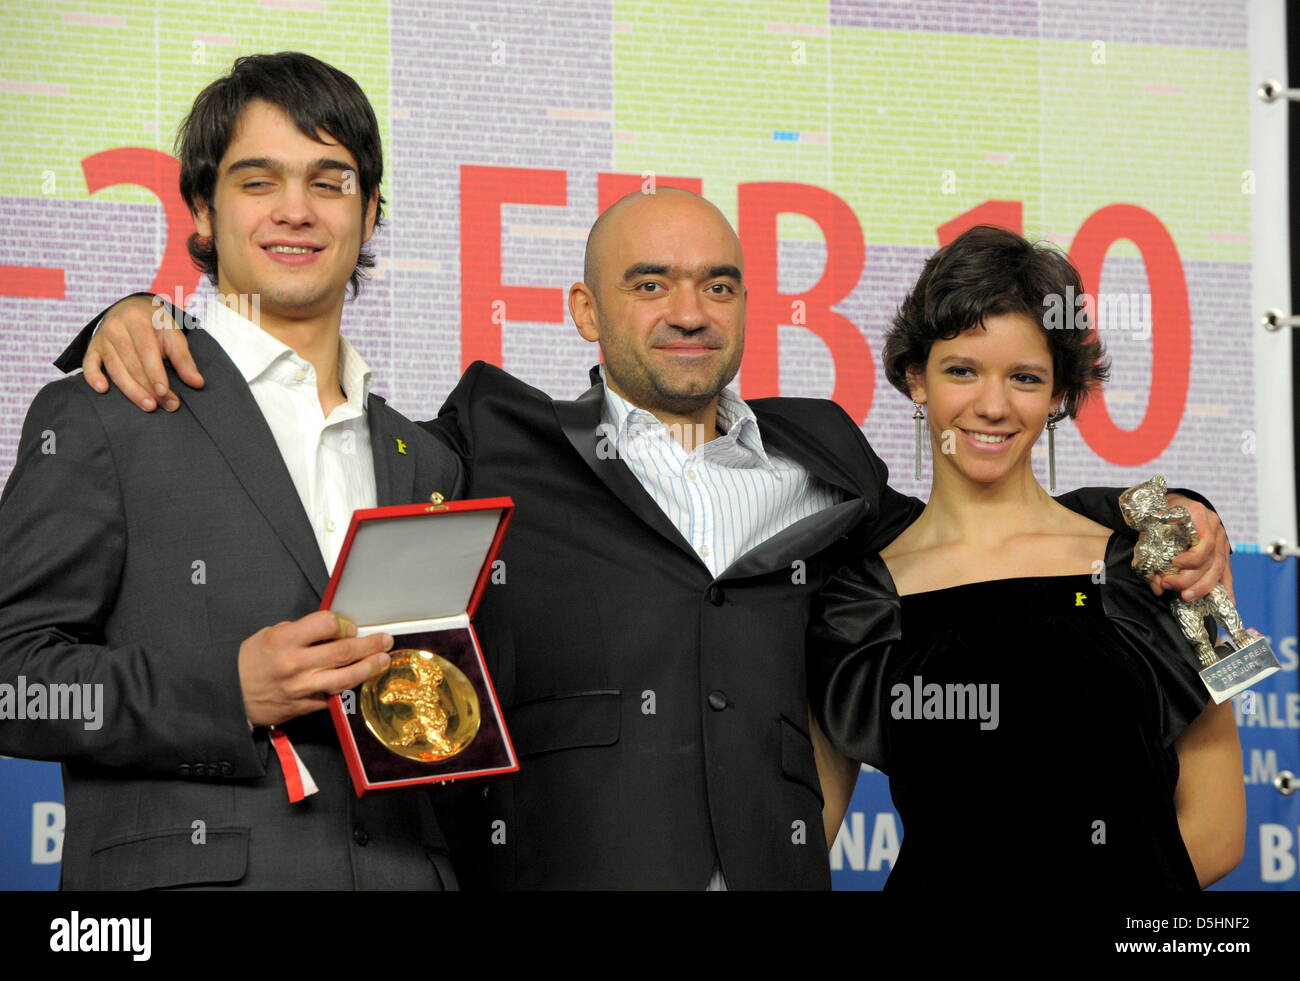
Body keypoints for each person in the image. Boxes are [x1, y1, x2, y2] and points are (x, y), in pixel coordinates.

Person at [52, 191, 1232, 889]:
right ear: (584, 310)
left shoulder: (832, 466)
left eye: (718, 285)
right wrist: (145, 314)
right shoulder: (481, 438)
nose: (686, 310)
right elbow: (318, 420)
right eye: (651, 282)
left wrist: (1165, 513)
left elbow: (983, 517)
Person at [0, 53, 464, 889]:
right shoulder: (111, 407)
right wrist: (226, 691)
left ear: (369, 214)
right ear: (202, 213)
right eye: (259, 181)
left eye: (331, 181)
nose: (297, 209)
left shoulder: (425, 458)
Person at [807, 226, 1246, 890]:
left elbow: (1220, 829)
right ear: (915, 377)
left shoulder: (1174, 548)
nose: (992, 405)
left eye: (1024, 377)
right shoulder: (854, 601)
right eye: (962, 370)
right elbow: (803, 836)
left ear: (1059, 393)